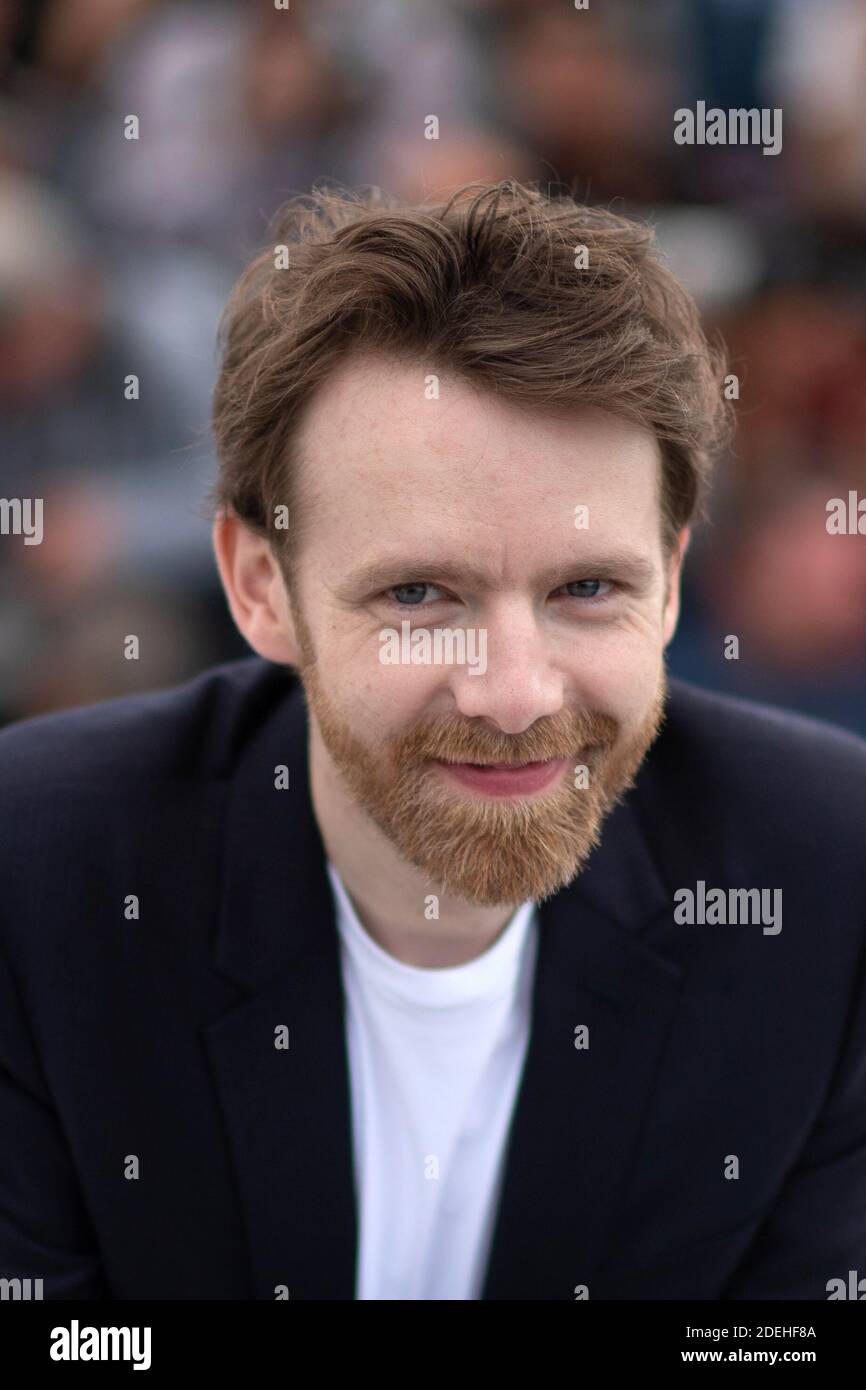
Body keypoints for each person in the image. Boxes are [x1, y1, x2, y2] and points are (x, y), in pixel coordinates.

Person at [1, 181, 864, 1301]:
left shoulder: (826, 876)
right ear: (260, 587)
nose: (512, 694)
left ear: (670, 590)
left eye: (587, 587)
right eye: (418, 593)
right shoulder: (35, 872)